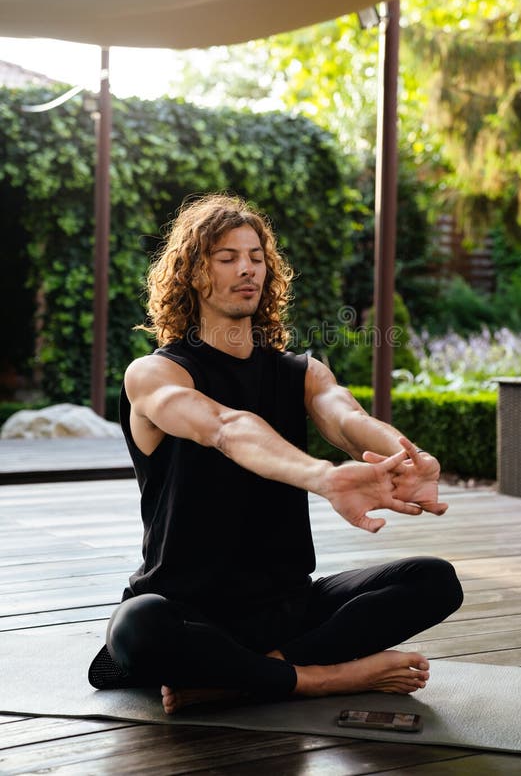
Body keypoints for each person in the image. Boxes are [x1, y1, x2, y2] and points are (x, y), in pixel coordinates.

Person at [88, 194, 463, 714]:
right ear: (195, 273)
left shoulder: (300, 371)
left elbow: (347, 420)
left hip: (286, 606)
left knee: (434, 581)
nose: (248, 269)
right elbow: (226, 427)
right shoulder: (156, 374)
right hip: (188, 610)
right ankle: (327, 677)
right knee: (137, 627)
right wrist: (325, 478)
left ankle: (247, 676)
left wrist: (407, 453)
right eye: (227, 257)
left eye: (257, 256)